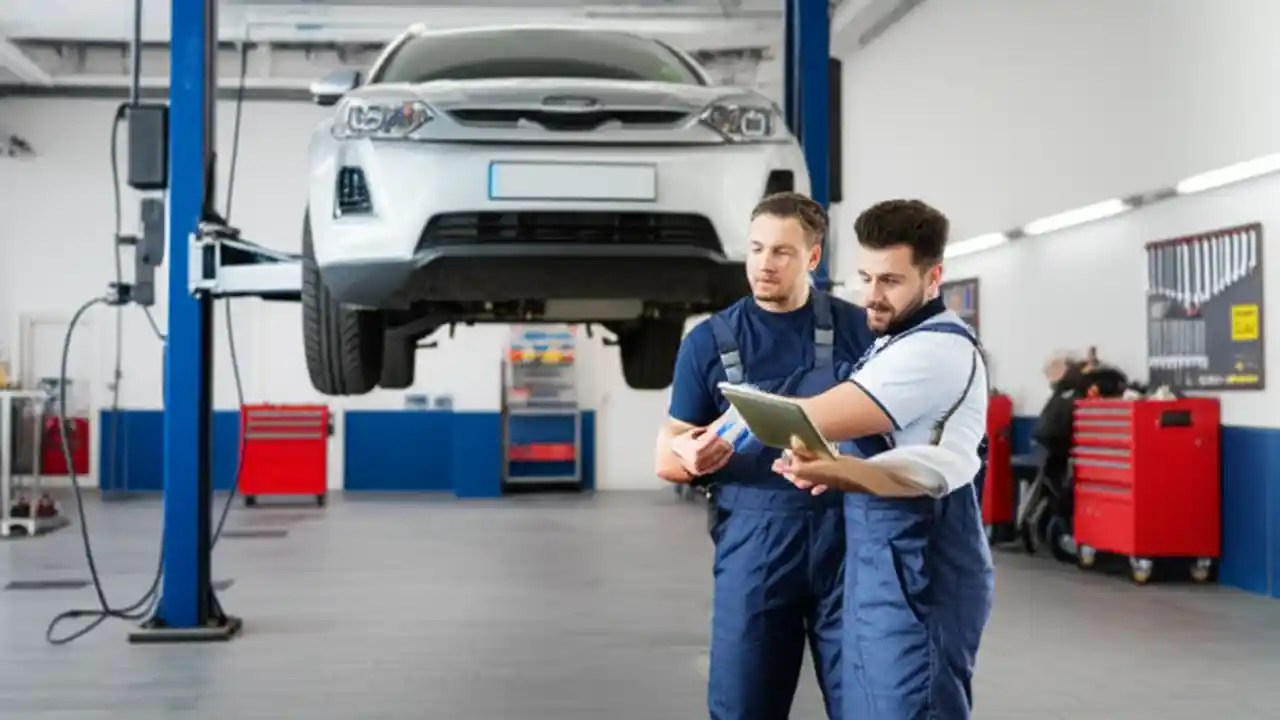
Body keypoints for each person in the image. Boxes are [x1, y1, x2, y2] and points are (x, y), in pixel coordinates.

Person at [765, 199, 996, 719]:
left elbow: (813, 416)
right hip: (881, 559)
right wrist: (836, 467)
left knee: (911, 706)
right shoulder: (893, 342)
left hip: (923, 562)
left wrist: (730, 420)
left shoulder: (933, 350)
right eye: (865, 278)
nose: (871, 295)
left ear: (933, 277)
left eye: (890, 281)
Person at [654, 192, 875, 720]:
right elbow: (667, 455)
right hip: (754, 548)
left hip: (848, 541)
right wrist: (689, 457)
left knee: (870, 703)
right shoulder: (709, 342)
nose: (764, 264)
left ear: (813, 257)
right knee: (744, 706)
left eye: (781, 251)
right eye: (756, 249)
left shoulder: (860, 330)